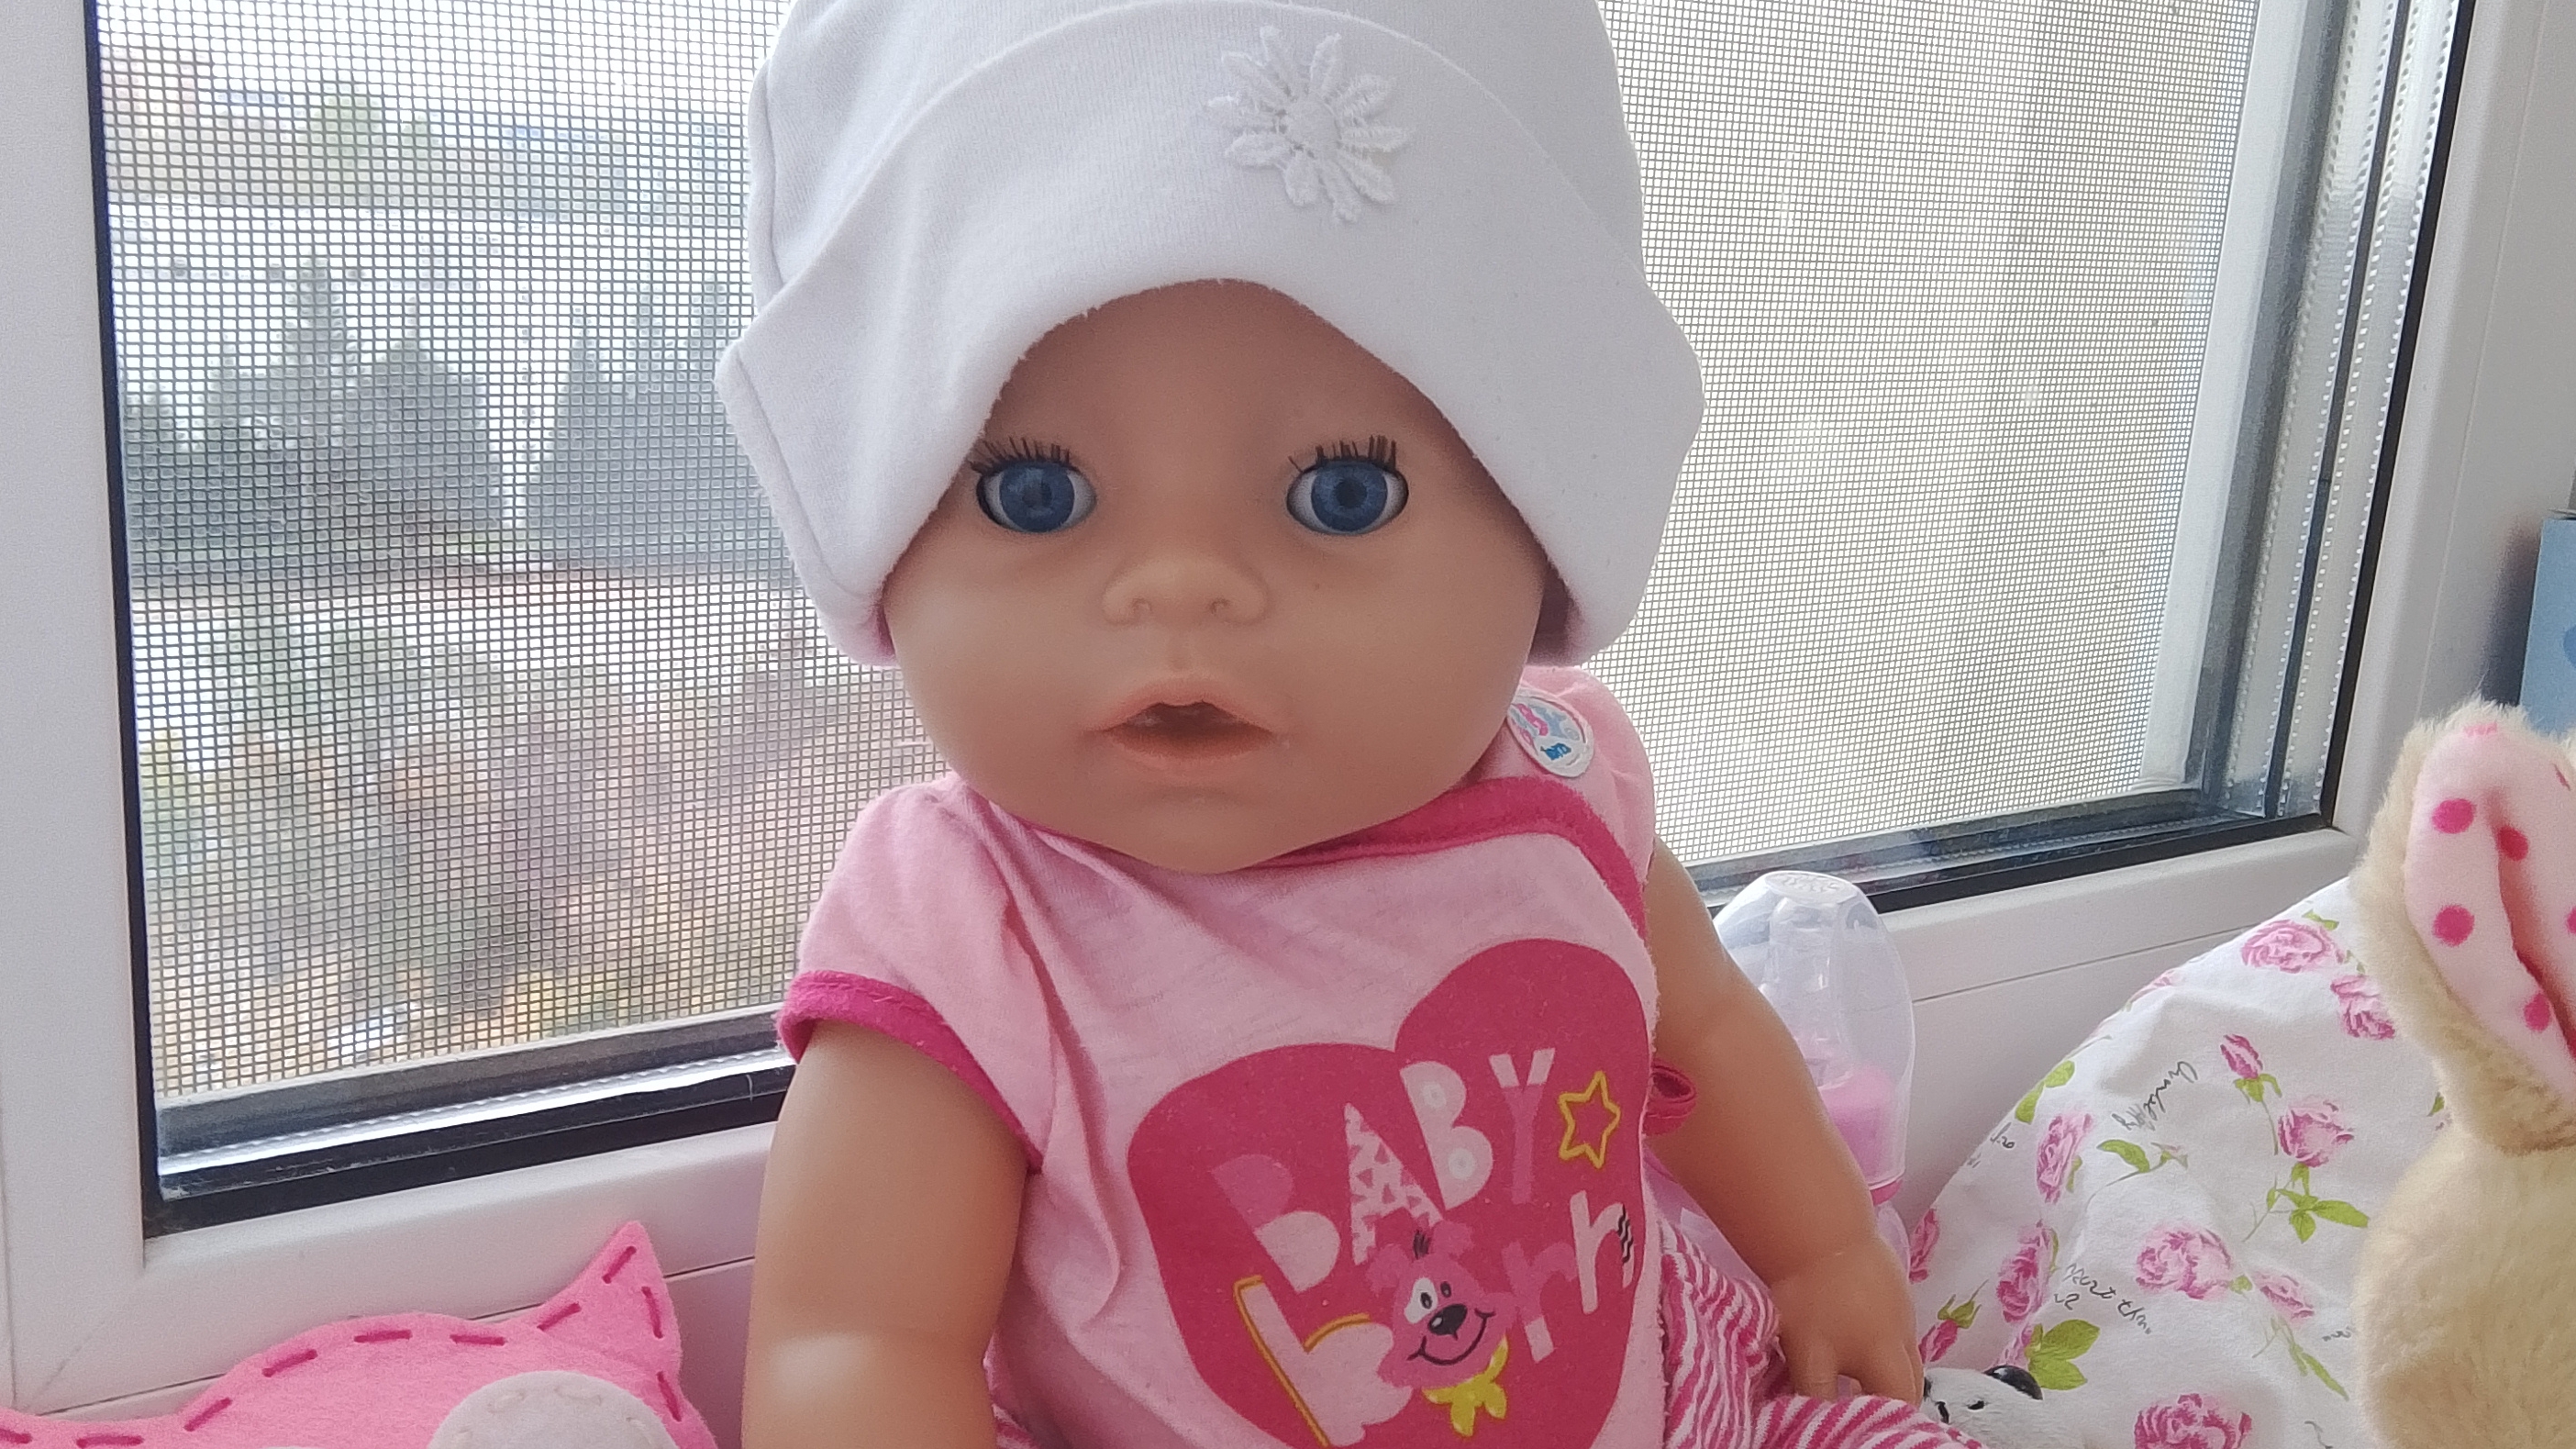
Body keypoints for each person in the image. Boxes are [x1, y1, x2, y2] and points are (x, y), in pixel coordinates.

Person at [715, 5, 1956, 1446]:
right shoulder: (977, 926)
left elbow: (1715, 1034)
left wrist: (1822, 1250)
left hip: (1674, 1408)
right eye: (1033, 494)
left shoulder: (1564, 786)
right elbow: (857, 1342)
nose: (1182, 585)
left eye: (1342, 494)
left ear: (1545, 530)